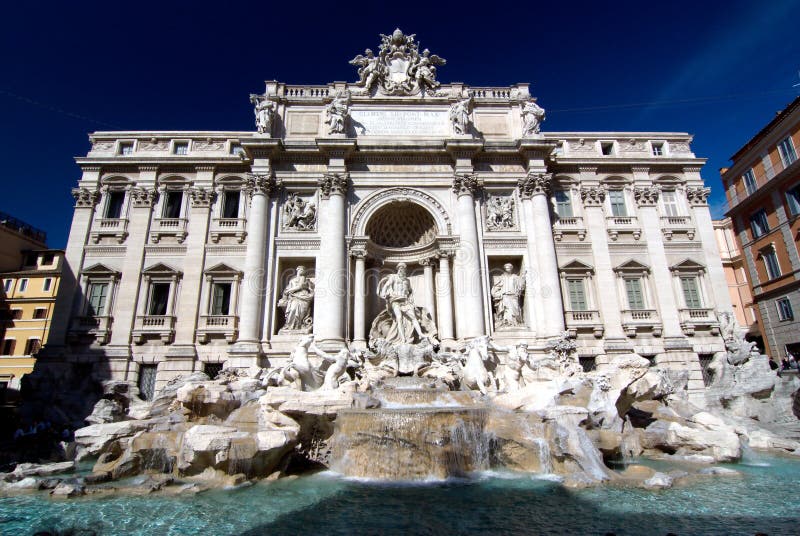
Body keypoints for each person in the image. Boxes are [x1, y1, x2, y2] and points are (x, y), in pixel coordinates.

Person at [377, 263, 427, 344]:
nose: (401, 270)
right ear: (398, 269)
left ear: (405, 270)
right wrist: (383, 293)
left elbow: (410, 291)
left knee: (413, 317)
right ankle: (403, 338)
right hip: (395, 300)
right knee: (399, 318)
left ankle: (420, 333)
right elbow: (386, 285)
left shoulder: (407, 280)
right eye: (400, 268)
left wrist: (411, 300)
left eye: (403, 269)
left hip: (405, 301)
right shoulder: (393, 277)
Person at [277, 266, 314, 331]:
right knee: (293, 309)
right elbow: (287, 289)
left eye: (303, 270)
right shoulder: (292, 280)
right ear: (297, 270)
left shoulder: (304, 278)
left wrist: (290, 290)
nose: (302, 271)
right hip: (293, 298)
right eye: (300, 270)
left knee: (301, 312)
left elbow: (300, 286)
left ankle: (298, 326)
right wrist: (286, 293)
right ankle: (289, 325)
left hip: (303, 296)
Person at [491, 263, 527, 328]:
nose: (508, 269)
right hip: (505, 296)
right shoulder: (502, 277)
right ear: (504, 269)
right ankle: (507, 323)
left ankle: (516, 323)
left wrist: (523, 277)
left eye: (510, 268)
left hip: (514, 296)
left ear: (512, 269)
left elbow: (521, 286)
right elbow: (496, 287)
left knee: (515, 310)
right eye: (507, 268)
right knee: (506, 310)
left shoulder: (515, 277)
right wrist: (497, 294)